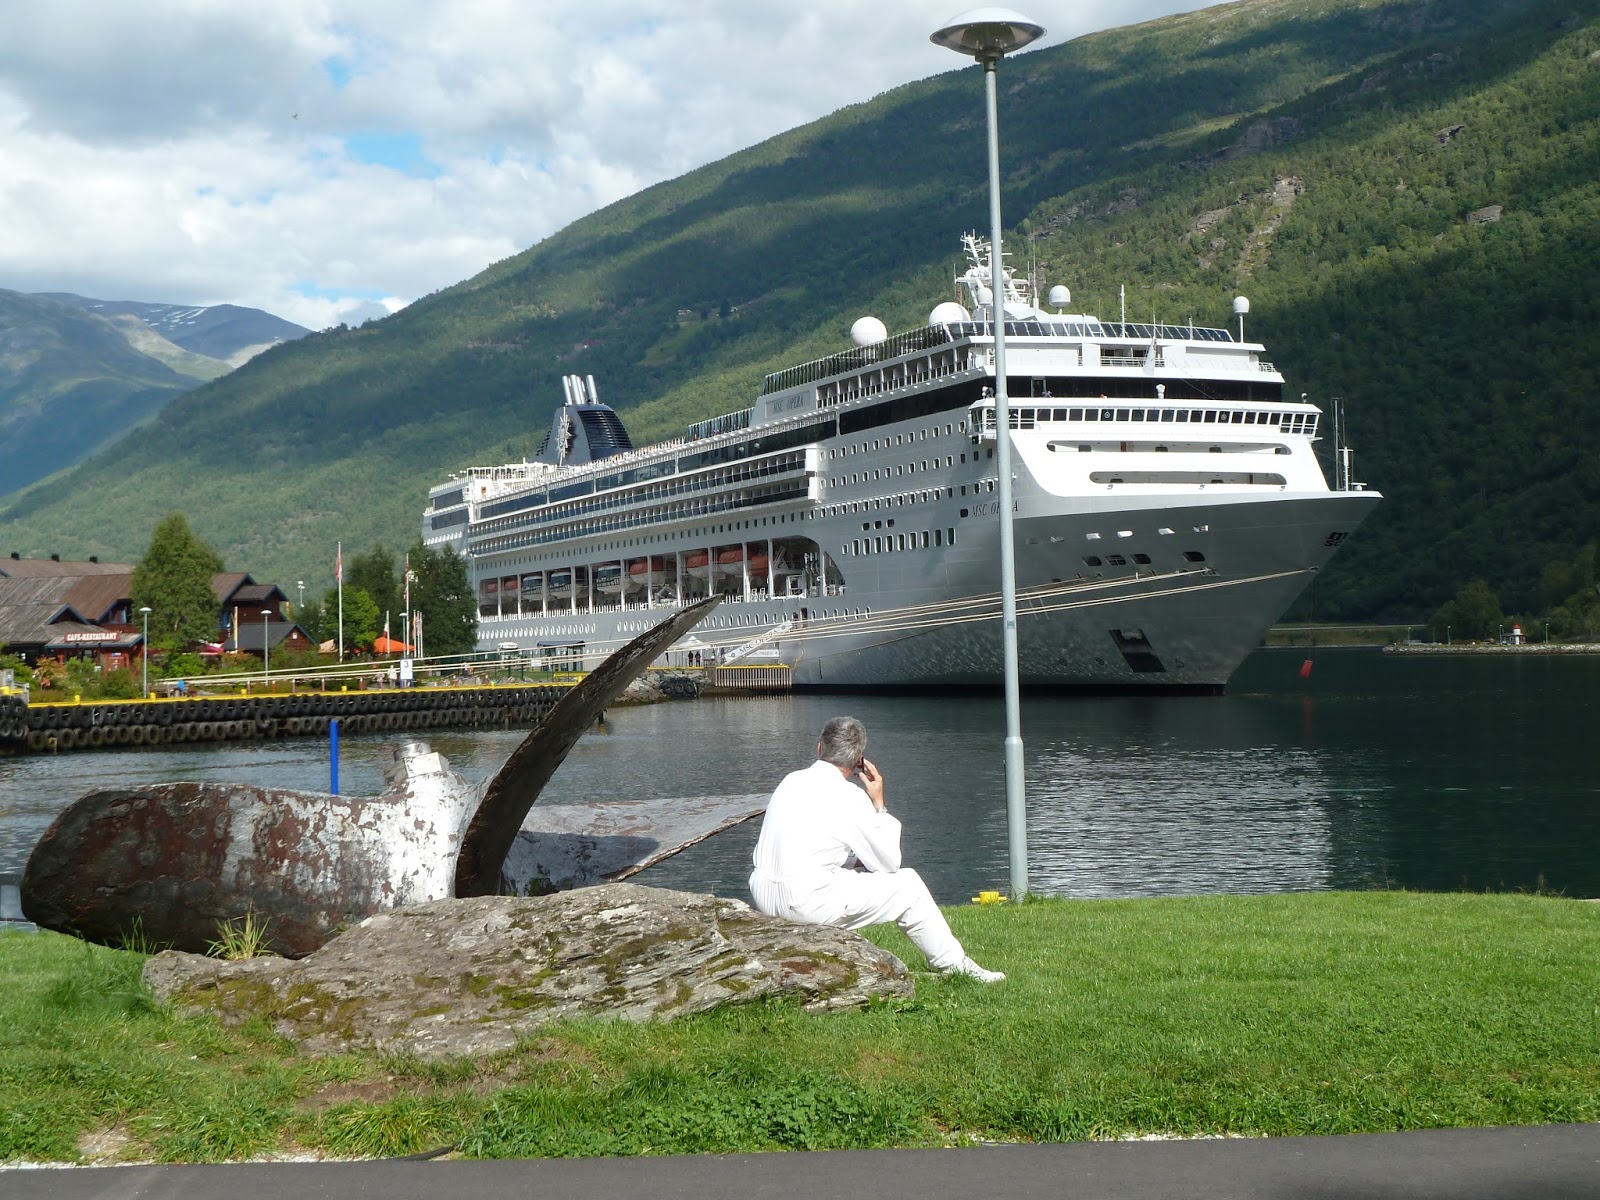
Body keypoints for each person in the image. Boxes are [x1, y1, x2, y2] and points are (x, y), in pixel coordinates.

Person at [748, 715, 1004, 982]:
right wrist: (879, 804)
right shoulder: (849, 796)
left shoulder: (790, 781)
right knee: (909, 885)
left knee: (847, 872)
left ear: (820, 748)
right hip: (804, 903)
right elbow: (890, 862)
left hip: (765, 896)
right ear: (858, 760)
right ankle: (956, 965)